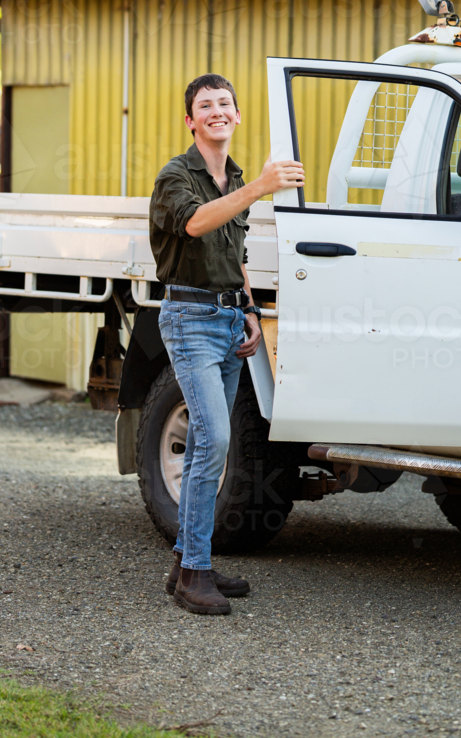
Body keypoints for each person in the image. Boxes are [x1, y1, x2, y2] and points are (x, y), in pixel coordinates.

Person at [149, 73, 304, 615]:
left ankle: (189, 563)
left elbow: (233, 251)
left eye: (225, 104)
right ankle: (194, 574)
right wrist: (261, 186)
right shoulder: (177, 175)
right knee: (214, 441)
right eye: (204, 105)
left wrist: (251, 309)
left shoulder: (234, 176)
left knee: (201, 450)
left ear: (237, 116)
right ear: (191, 120)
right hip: (188, 316)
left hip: (227, 318)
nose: (216, 111)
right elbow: (194, 225)